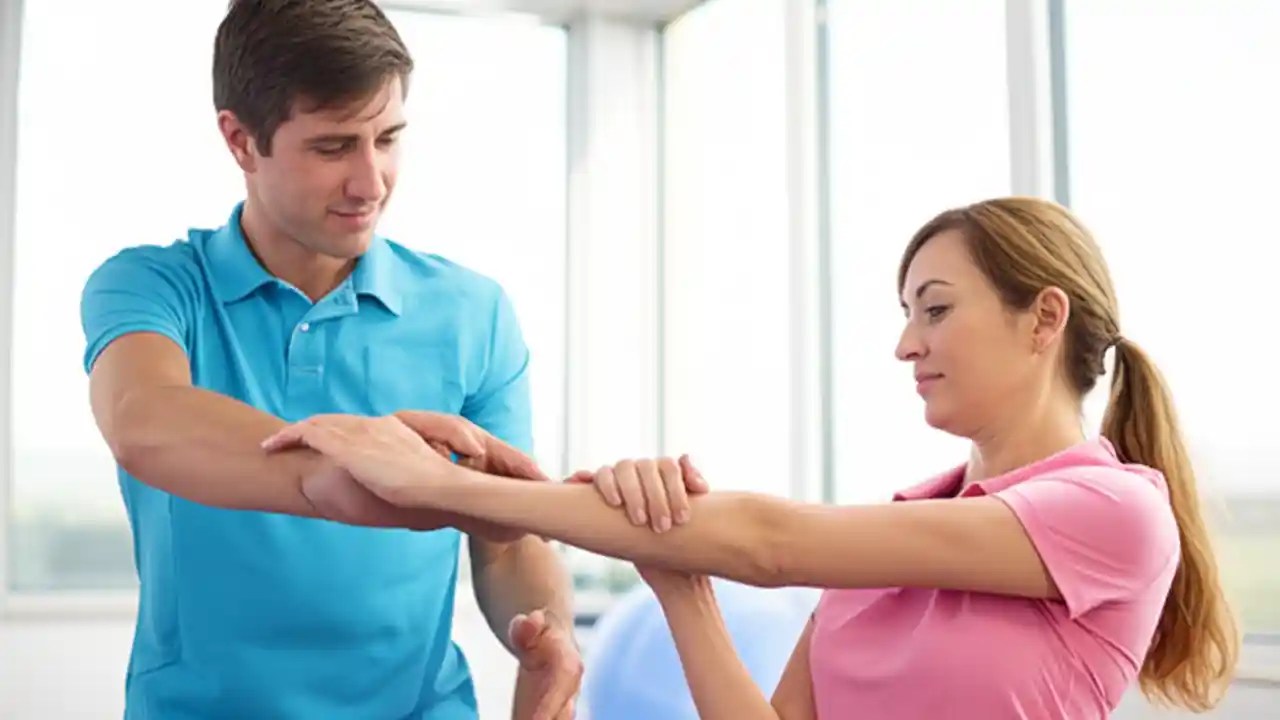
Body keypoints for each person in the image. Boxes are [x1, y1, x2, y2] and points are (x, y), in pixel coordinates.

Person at [264, 196, 1242, 719]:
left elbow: (768, 543)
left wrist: (440, 484)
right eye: (902, 315)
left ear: (1043, 319)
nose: (906, 344)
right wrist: (676, 580)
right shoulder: (901, 536)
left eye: (933, 308)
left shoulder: (1108, 512)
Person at [81, 1, 693, 717]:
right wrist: (346, 463)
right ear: (241, 141)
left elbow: (505, 539)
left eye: (389, 138)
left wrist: (548, 632)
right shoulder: (154, 286)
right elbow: (144, 420)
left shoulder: (472, 311)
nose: (371, 183)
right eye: (334, 147)